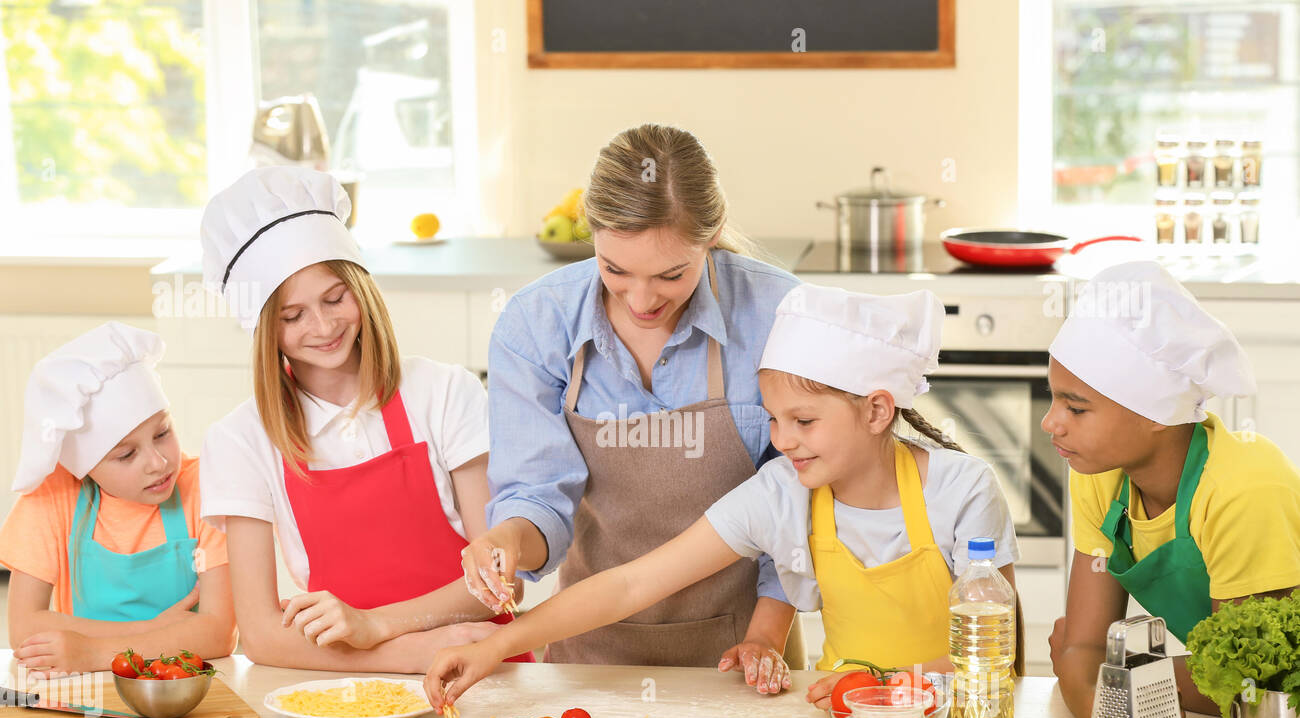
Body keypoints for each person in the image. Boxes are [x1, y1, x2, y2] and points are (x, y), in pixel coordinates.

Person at [426, 284, 1022, 708]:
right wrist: (498, 645)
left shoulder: (961, 492)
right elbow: (631, 583)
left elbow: (1001, 659)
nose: (781, 441)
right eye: (773, 419)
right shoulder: (783, 492)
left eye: (804, 421)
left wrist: (893, 691)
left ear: (876, 410)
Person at [461, 123, 805, 684]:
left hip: (745, 655)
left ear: (712, 235)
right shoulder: (536, 324)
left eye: (671, 274)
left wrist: (765, 636)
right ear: (590, 233)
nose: (642, 300)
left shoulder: (779, 313)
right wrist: (505, 541)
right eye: (614, 270)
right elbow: (537, 495)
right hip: (590, 656)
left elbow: (798, 503)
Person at [198, 166, 523, 672]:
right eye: (292, 316)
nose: (324, 326)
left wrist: (375, 627)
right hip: (356, 693)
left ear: (361, 288)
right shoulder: (240, 441)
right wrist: (409, 653)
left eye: (334, 298)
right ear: (264, 328)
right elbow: (261, 638)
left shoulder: (443, 392)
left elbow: (500, 582)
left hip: (487, 671)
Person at [1044, 260, 1300, 718]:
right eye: (1054, 398)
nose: (1050, 423)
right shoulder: (1100, 475)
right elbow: (1083, 646)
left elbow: (1248, 680)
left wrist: (1102, 676)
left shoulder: (1243, 489)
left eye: (1076, 408)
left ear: (1156, 411)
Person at [0, 322, 236, 676]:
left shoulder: (205, 486)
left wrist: (95, 652)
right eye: (126, 455)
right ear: (85, 467)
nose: (157, 463)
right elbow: (25, 630)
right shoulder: (54, 496)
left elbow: (219, 634)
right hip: (82, 690)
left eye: (162, 432)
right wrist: (158, 629)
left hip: (178, 687)